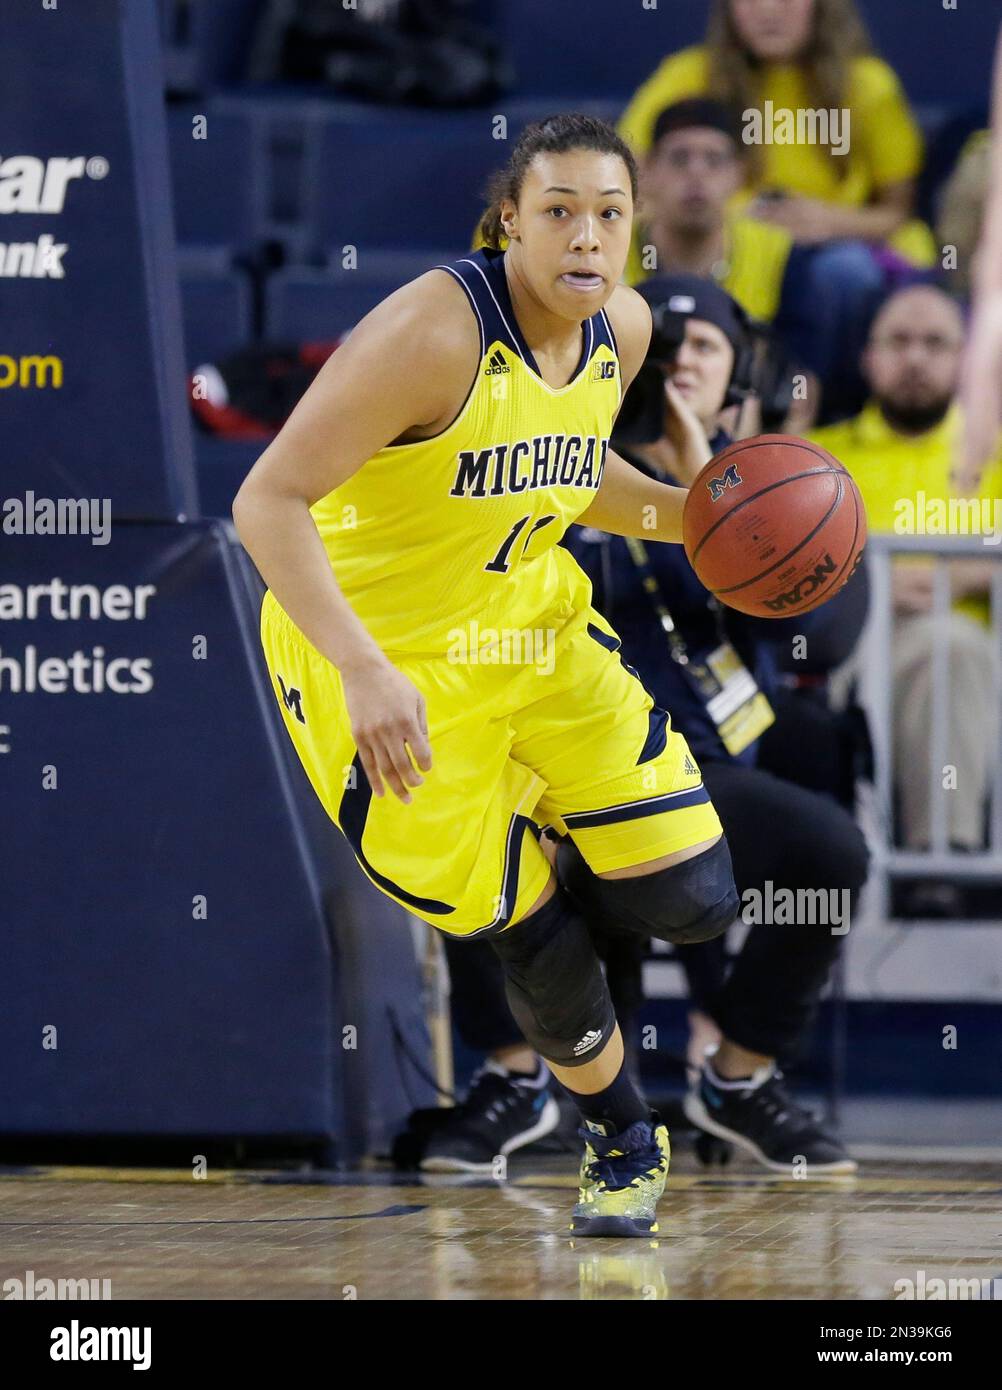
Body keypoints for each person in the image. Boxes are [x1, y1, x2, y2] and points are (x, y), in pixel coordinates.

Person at [232, 114, 743, 1239]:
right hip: (379, 664)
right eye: (558, 210)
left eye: (610, 215)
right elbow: (264, 500)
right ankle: (620, 1135)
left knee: (696, 897)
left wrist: (699, 523)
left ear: (634, 231)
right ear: (511, 218)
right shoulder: (431, 331)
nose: (586, 237)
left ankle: (546, 830)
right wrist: (361, 670)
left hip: (529, 630)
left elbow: (572, 472)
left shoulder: (624, 325)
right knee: (528, 933)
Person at [424, 277, 868, 1176]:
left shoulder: (775, 481)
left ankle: (738, 1079)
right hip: (546, 763)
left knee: (827, 851)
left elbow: (823, 632)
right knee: (470, 841)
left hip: (693, 764)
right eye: (659, 350)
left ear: (741, 373)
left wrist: (712, 491)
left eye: (702, 347)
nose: (678, 365)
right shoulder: (538, 465)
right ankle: (513, 1079)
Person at [619, 0, 936, 421]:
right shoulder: (688, 74)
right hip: (725, 242)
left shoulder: (867, 83)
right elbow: (626, 176)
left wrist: (829, 222)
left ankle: (832, 423)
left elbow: (902, 210)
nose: (769, 10)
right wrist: (728, 209)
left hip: (820, 253)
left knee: (844, 272)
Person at [809, 284, 1002, 901]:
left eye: (935, 343)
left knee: (949, 645)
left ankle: (937, 870)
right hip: (848, 646)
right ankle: (932, 864)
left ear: (965, 358)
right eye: (898, 341)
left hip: (968, 651)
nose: (915, 358)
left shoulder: (992, 454)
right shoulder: (816, 454)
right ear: (867, 357)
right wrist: (880, 582)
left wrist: (954, 576)